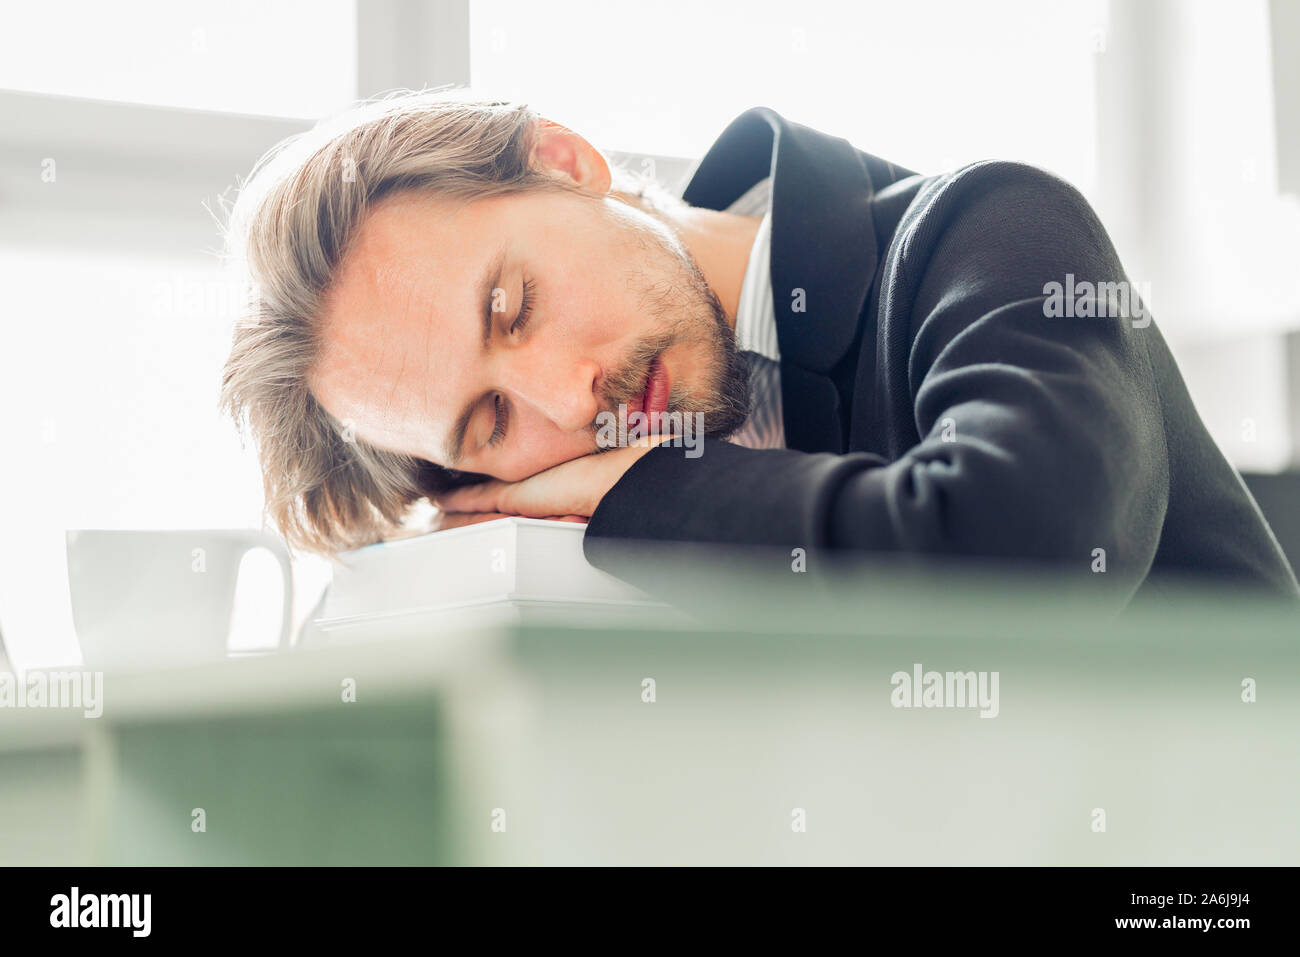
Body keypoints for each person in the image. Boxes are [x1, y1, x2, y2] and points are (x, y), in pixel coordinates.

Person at [221, 91, 1299, 606]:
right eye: (488, 421)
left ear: (566, 160)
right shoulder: (586, 538)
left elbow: (1030, 546)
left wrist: (644, 485)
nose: (567, 396)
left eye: (511, 307)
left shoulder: (990, 227)